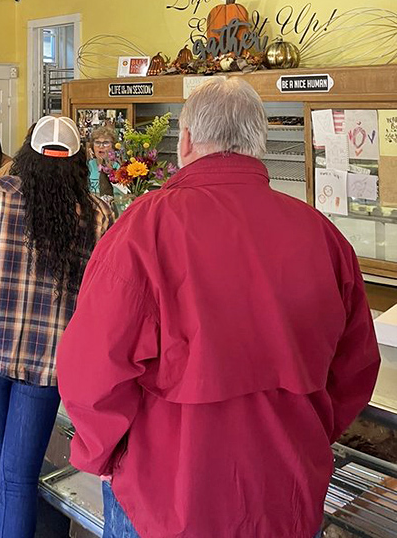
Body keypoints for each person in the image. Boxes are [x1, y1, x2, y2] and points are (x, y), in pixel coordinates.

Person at [57, 77, 380, 538]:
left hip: (167, 496)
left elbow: (91, 368)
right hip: (287, 491)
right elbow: (355, 369)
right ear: (258, 142)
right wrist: (304, 432)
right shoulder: (322, 235)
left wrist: (101, 454)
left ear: (185, 141)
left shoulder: (145, 228)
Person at [0, 116, 114, 538]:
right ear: (77, 162)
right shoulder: (100, 214)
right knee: (19, 473)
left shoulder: (1, 193)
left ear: (29, 157)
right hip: (51, 359)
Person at [87, 124, 117, 195]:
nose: (101, 146)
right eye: (97, 143)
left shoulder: (119, 168)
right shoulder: (86, 166)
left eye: (105, 143)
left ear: (113, 147)